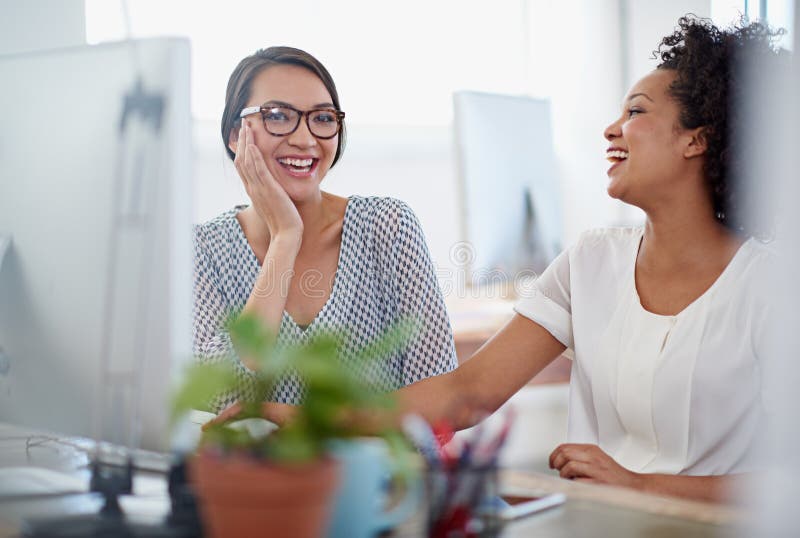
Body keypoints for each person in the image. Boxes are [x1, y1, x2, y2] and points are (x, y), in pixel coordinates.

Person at [213, 16, 787, 503]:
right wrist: (301, 419)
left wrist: (643, 485)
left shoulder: (772, 286)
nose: (612, 128)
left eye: (636, 111)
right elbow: (465, 394)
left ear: (698, 139)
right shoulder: (590, 262)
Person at [193, 46, 457, 410]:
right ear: (236, 134)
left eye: (322, 118)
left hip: (375, 468)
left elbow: (438, 404)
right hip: (254, 470)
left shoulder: (387, 227)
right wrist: (285, 237)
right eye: (278, 116)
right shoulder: (203, 249)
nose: (305, 139)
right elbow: (220, 397)